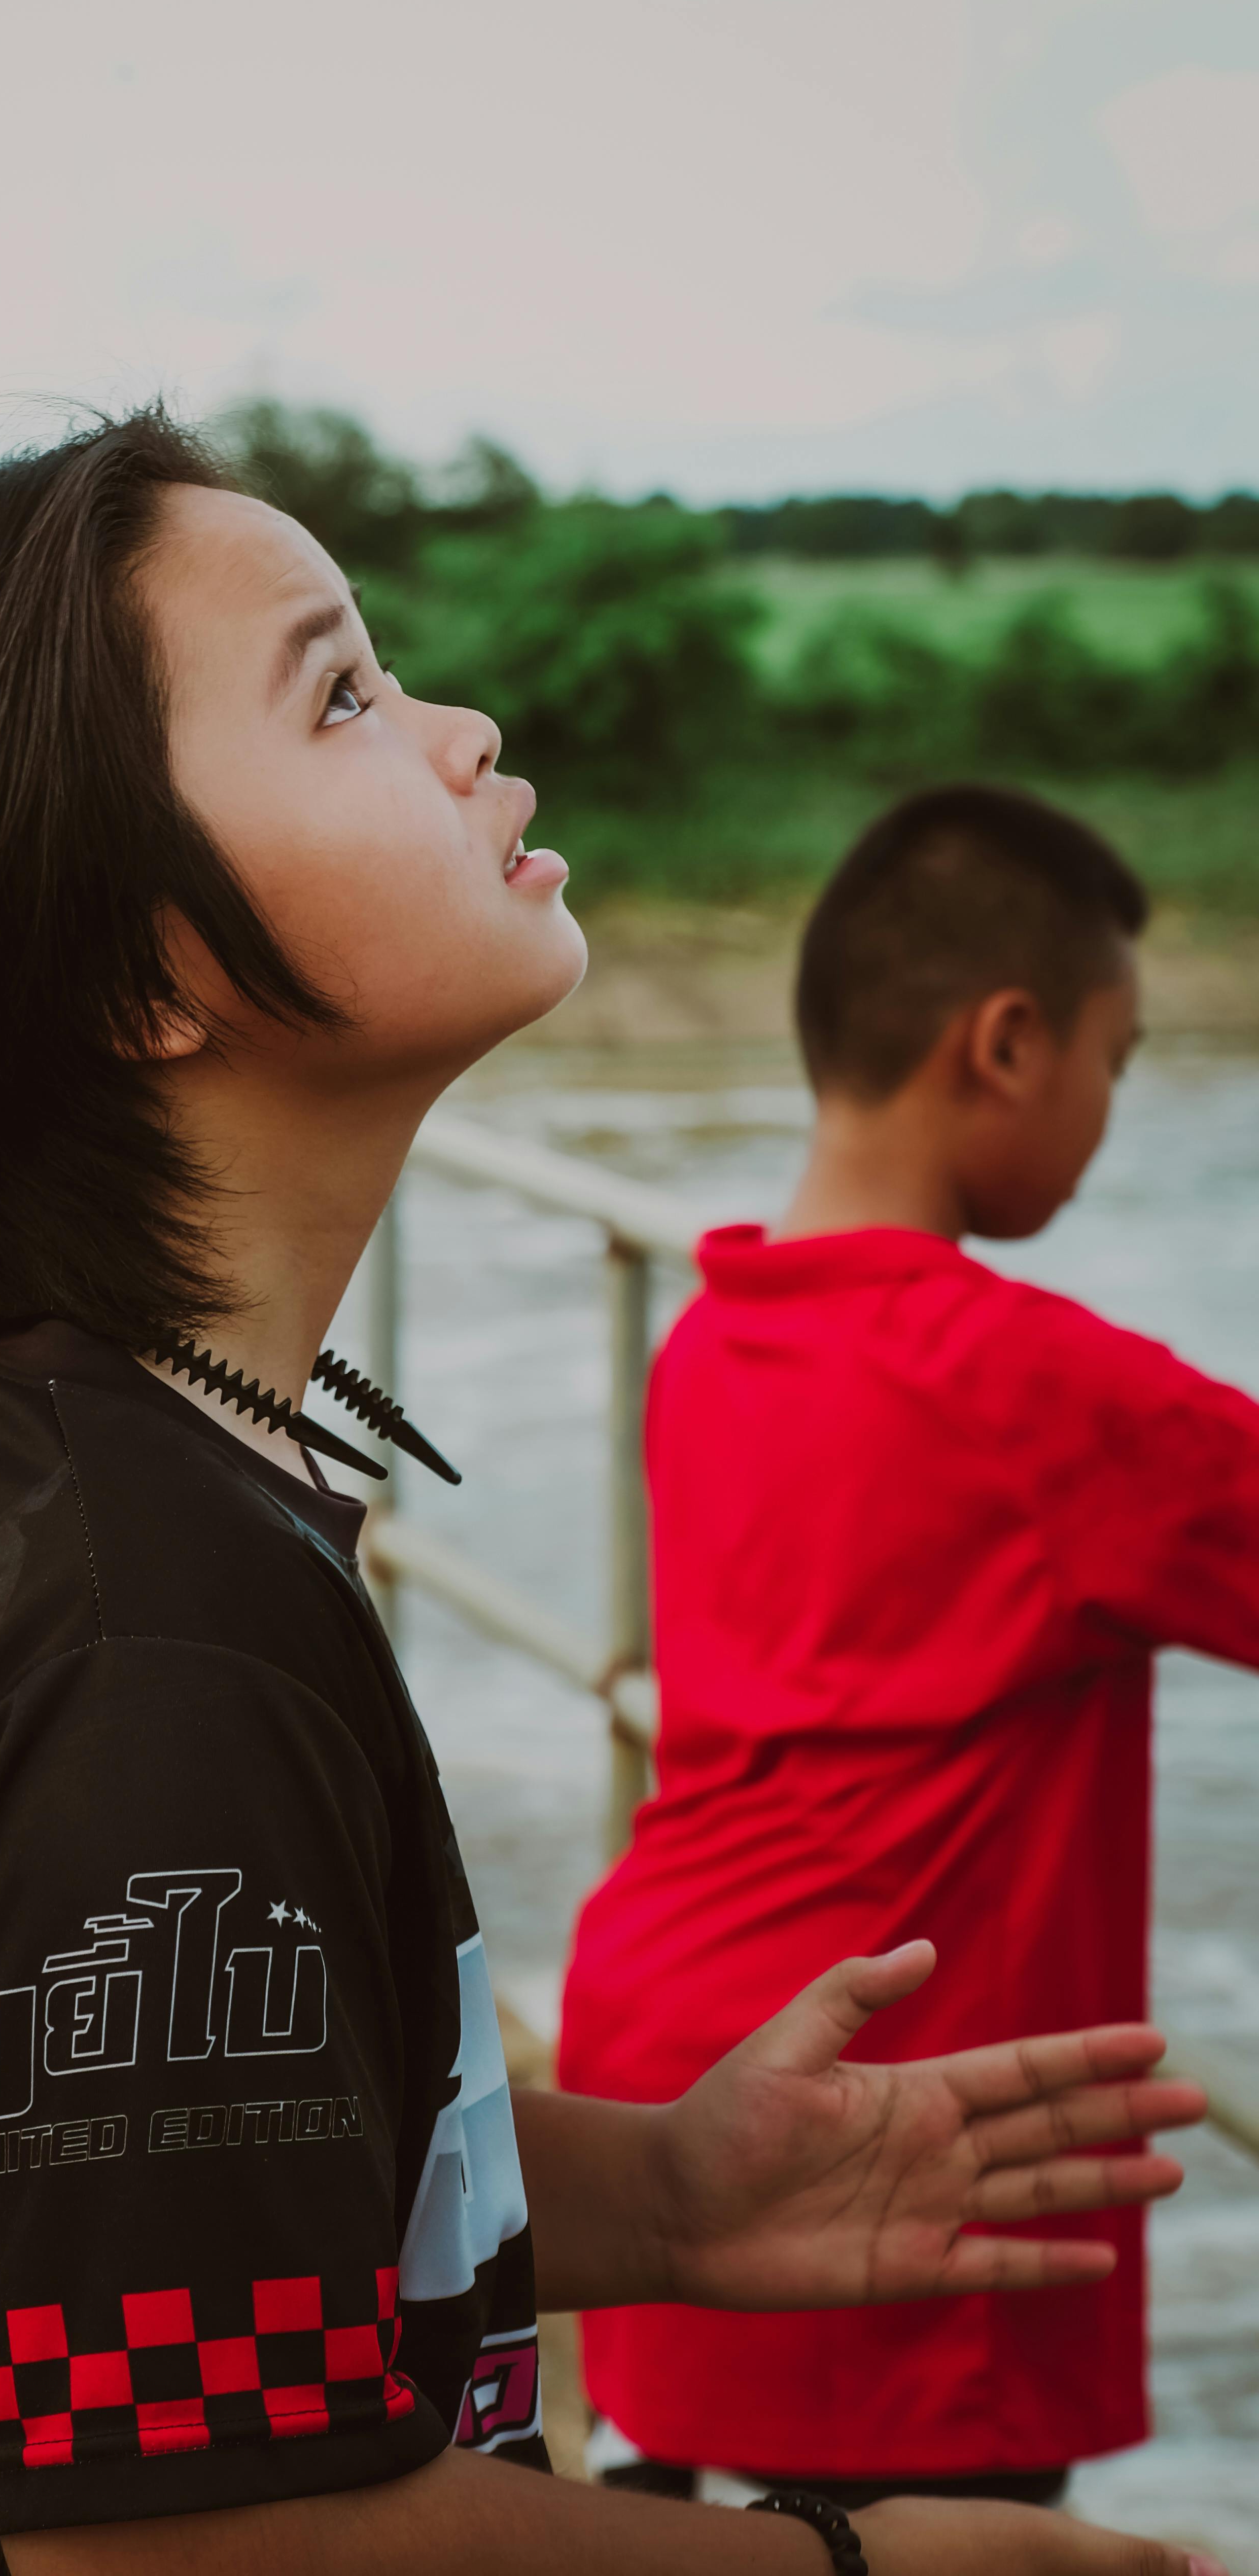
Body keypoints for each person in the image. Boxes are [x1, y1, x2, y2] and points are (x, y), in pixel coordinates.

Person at [0, 427, 1215, 2576]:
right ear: (136, 977)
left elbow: (123, 2239)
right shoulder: (152, 1644)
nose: (463, 729)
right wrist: (876, 2565)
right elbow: (199, 2548)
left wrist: (666, 2194)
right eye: (342, 694)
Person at [560, 782, 1259, 2519]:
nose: (1114, 1104)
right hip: (890, 2128)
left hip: (665, 2077)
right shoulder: (1043, 1394)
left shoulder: (718, 1332)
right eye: (1118, 1053)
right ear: (1007, 1044)